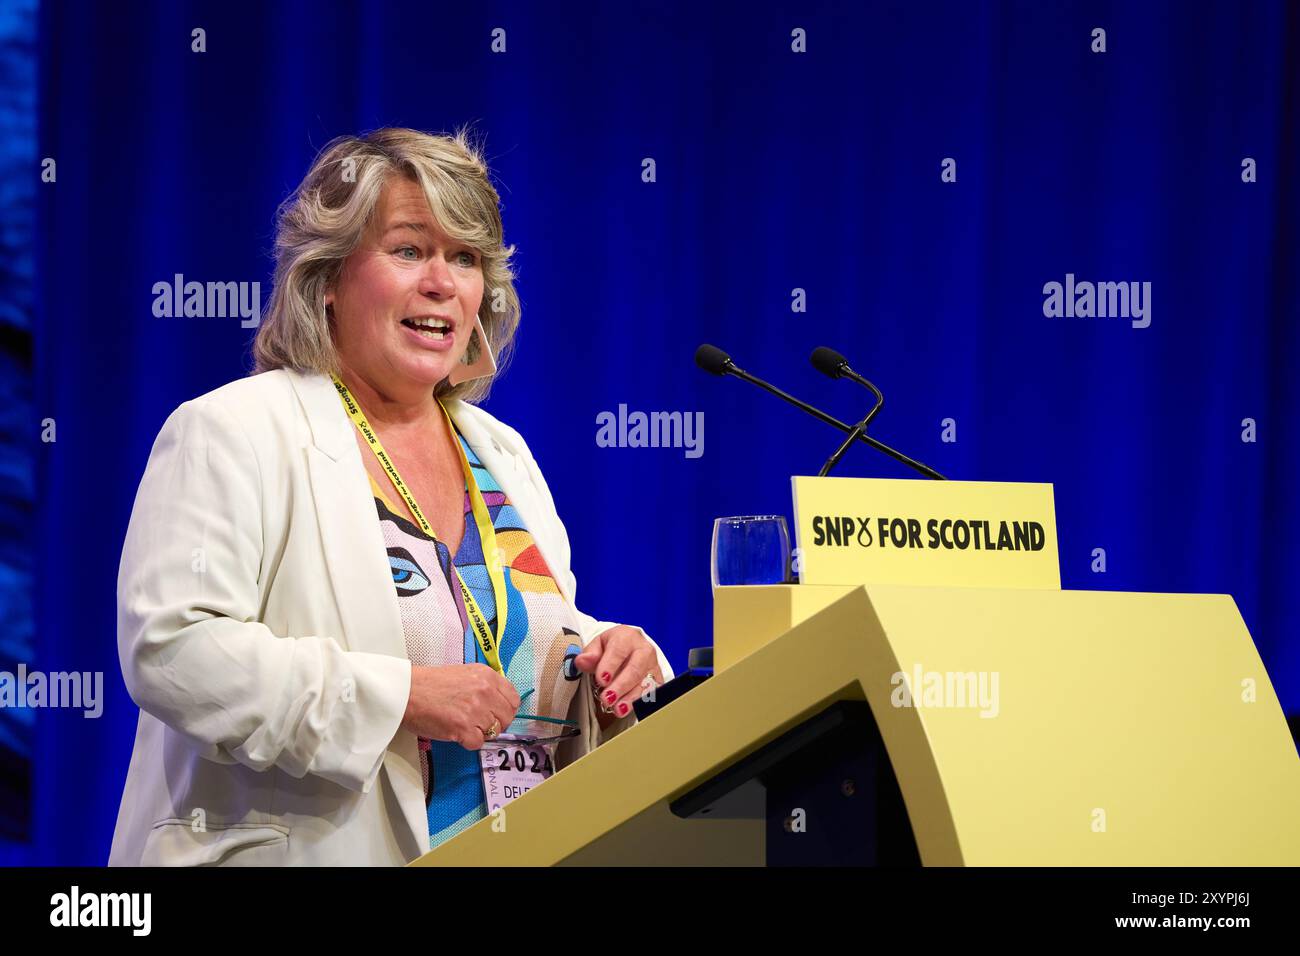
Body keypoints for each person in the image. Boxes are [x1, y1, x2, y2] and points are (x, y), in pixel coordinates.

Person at [108, 128, 672, 865]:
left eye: (465, 258)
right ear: (329, 278)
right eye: (409, 250)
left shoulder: (502, 453)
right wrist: (398, 696)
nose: (442, 282)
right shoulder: (234, 431)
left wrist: (609, 660)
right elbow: (174, 650)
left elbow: (491, 628)